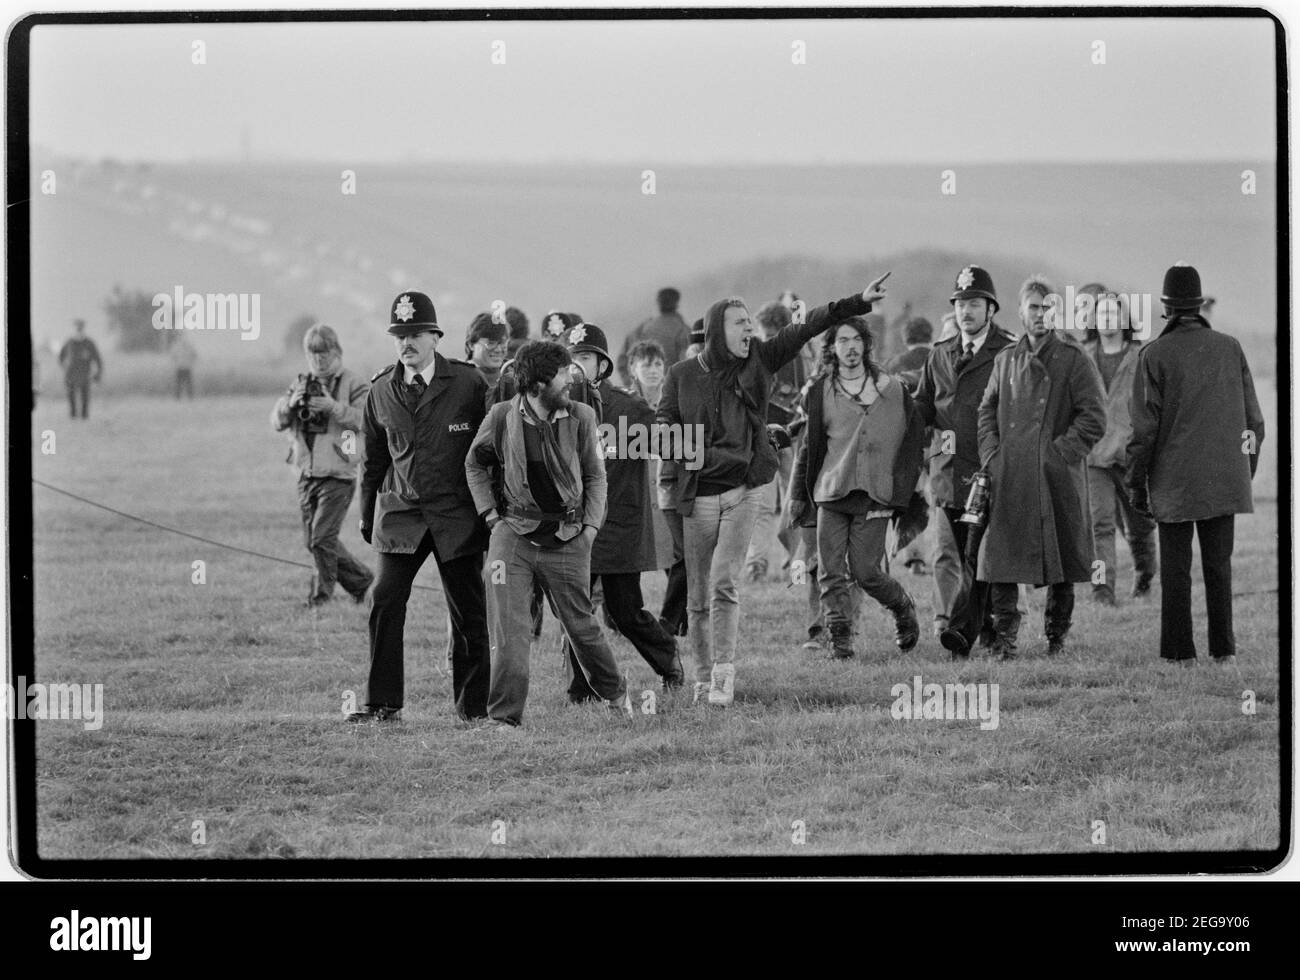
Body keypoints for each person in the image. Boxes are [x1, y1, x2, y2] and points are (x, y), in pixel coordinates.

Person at [657, 273, 891, 705]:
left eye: (750, 322)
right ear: (716, 331)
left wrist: (857, 300)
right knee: (697, 594)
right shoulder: (681, 375)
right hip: (698, 494)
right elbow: (663, 426)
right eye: (739, 323)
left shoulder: (760, 360)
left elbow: (807, 326)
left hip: (745, 489)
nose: (749, 329)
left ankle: (724, 674)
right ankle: (703, 677)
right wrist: (689, 449)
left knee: (724, 581)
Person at [465, 341, 632, 727]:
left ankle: (615, 691)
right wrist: (490, 516)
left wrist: (590, 528)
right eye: (562, 374)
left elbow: (595, 476)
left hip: (569, 536)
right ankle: (504, 718)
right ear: (538, 383)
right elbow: (474, 464)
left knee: (581, 625)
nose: (571, 380)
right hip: (513, 536)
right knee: (509, 629)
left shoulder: (582, 417)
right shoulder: (502, 416)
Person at [348, 290, 491, 723]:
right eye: (399, 335)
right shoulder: (380, 390)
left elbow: (488, 451)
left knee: (468, 612)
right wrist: (366, 514)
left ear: (435, 337)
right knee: (384, 600)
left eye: (414, 334)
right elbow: (373, 460)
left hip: (456, 514)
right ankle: (382, 705)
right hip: (402, 513)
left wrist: (492, 513)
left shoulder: (468, 384)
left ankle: (473, 710)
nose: (406, 343)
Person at [1126, 263, 1264, 666]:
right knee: (1219, 568)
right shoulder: (1231, 346)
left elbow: (1143, 430)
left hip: (1174, 483)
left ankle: (1179, 653)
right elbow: (1254, 422)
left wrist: (1137, 484)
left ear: (1166, 308)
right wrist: (1243, 472)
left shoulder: (1153, 354)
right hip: (1225, 478)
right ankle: (1224, 651)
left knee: (1176, 571)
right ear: (1200, 304)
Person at [965, 275, 1107, 660]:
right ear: (1021, 312)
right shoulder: (1005, 360)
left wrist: (1059, 454)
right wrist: (992, 453)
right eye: (1034, 307)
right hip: (1009, 473)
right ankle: (1006, 640)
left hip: (1055, 476)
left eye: (1048, 307)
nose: (1041, 314)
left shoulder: (1075, 359)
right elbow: (986, 412)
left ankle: (1056, 638)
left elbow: (1094, 417)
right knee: (1000, 560)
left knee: (1062, 559)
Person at [788, 316, 925, 658]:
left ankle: (902, 607)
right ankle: (840, 641)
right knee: (831, 572)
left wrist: (904, 487)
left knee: (865, 571)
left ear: (866, 345)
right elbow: (809, 446)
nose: (850, 347)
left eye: (856, 340)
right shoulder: (822, 391)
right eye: (842, 341)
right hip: (831, 491)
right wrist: (795, 495)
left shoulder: (892, 390)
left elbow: (913, 437)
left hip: (875, 493)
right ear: (832, 348)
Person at [561, 325, 685, 700]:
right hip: (575, 523)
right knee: (575, 608)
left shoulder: (628, 407)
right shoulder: (558, 407)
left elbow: (670, 442)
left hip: (619, 524)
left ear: (602, 364)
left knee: (624, 609)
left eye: (584, 358)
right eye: (571, 359)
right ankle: (580, 688)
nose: (576, 367)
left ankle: (668, 661)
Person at [913, 266, 1017, 645]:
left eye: (974, 303)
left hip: (990, 468)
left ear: (991, 309)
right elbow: (923, 408)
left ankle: (961, 630)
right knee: (962, 556)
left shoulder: (1008, 351)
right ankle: (986, 630)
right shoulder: (939, 354)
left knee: (983, 556)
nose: (966, 311)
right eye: (960, 304)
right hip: (948, 472)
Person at [271, 323, 374, 607]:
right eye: (313, 353)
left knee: (321, 538)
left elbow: (367, 420)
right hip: (306, 472)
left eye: (324, 353)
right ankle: (362, 583)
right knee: (314, 541)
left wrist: (331, 407)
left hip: (339, 473)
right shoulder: (301, 382)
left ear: (336, 351)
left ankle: (321, 598)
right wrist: (289, 405)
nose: (318, 359)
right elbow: (278, 422)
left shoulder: (354, 383)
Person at [1082, 289, 1157, 605]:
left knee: (1139, 524)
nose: (1108, 319)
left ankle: (1144, 574)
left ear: (1126, 319)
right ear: (1094, 320)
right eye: (1102, 313)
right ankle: (1102, 590)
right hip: (1095, 456)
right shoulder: (1083, 355)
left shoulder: (1141, 356)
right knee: (1099, 528)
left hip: (1130, 455)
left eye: (1114, 312)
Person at [743, 301, 804, 582]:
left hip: (777, 435)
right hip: (785, 434)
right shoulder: (798, 353)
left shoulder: (773, 355)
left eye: (768, 333)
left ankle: (770, 563)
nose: (765, 339)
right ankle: (788, 563)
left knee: (775, 504)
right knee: (780, 502)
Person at [886, 316, 935, 574]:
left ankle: (911, 556)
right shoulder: (940, 358)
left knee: (911, 498)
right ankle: (932, 553)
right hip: (938, 441)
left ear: (906, 338)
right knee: (934, 499)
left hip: (906, 444)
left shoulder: (894, 364)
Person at [618, 287, 691, 383]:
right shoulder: (684, 331)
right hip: (671, 391)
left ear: (658, 302)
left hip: (644, 390)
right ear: (676, 304)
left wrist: (633, 386)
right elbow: (689, 368)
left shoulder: (641, 329)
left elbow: (623, 362)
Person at [58, 318, 102, 419]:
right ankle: (73, 416)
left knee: (85, 396)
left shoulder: (89, 343)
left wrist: (98, 372)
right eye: (77, 327)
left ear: (83, 328)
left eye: (80, 327)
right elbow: (61, 356)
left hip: (84, 373)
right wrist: (64, 366)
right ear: (74, 328)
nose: (79, 329)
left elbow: (98, 359)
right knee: (71, 396)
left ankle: (84, 416)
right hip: (71, 373)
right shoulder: (69, 342)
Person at [465, 311, 509, 399]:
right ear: (471, 345)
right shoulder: (459, 381)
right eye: (491, 343)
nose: (498, 349)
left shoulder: (515, 377)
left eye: (502, 343)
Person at [170, 335, 197, 399]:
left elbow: (195, 355)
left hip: (186, 368)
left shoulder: (188, 348)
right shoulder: (178, 348)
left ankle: (189, 397)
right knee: (179, 384)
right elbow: (173, 356)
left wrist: (191, 362)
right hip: (180, 368)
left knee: (188, 384)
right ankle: (178, 397)